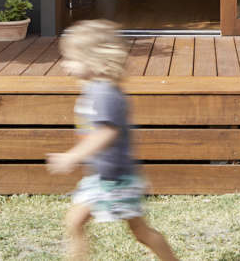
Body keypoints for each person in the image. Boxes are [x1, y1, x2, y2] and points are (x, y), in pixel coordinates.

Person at [46, 20, 180, 261]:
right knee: (76, 222)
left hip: (116, 180)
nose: (65, 65)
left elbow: (106, 133)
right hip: (102, 178)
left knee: (140, 232)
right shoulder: (95, 89)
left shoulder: (104, 93)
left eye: (71, 58)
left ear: (94, 60)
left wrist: (73, 156)